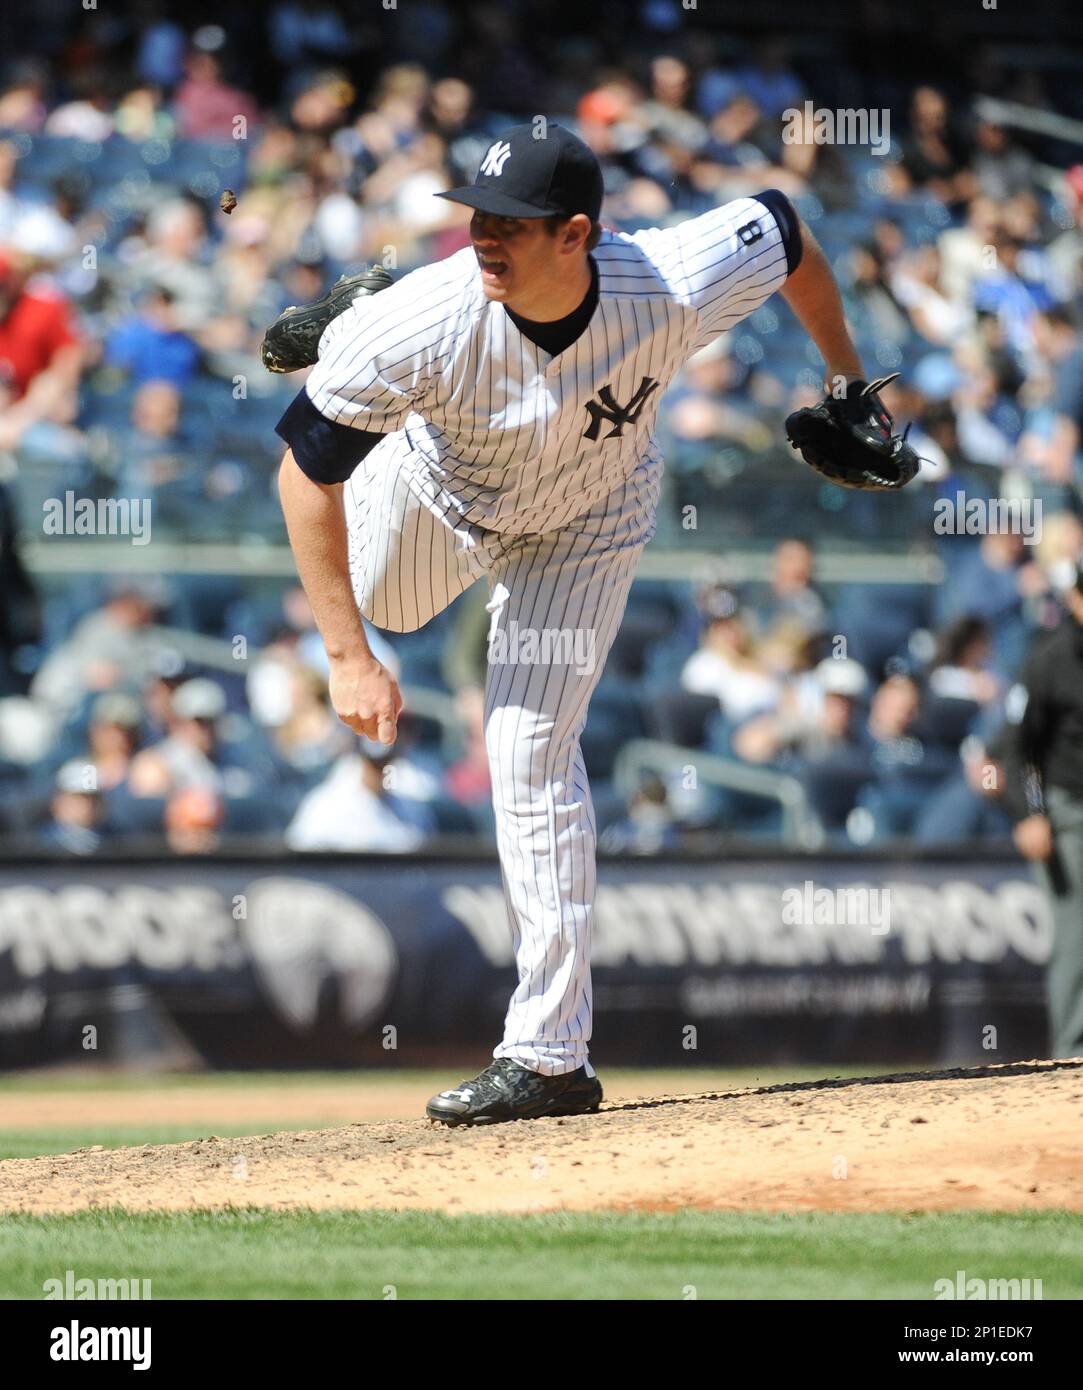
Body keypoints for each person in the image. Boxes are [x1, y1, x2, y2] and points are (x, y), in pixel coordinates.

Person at [273, 121, 878, 1126]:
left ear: (579, 234)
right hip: (436, 501)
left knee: (528, 750)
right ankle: (347, 323)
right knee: (392, 602)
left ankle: (550, 1057)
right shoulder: (437, 317)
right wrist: (348, 655)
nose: (484, 235)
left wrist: (847, 383)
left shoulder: (669, 280)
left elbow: (782, 230)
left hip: (587, 519)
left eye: (510, 222)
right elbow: (302, 478)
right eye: (477, 216)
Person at [1002, 561, 1083, 1059]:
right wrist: (1029, 813)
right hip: (1070, 810)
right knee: (1076, 936)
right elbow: (1016, 748)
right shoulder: (1050, 660)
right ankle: (1075, 1056)